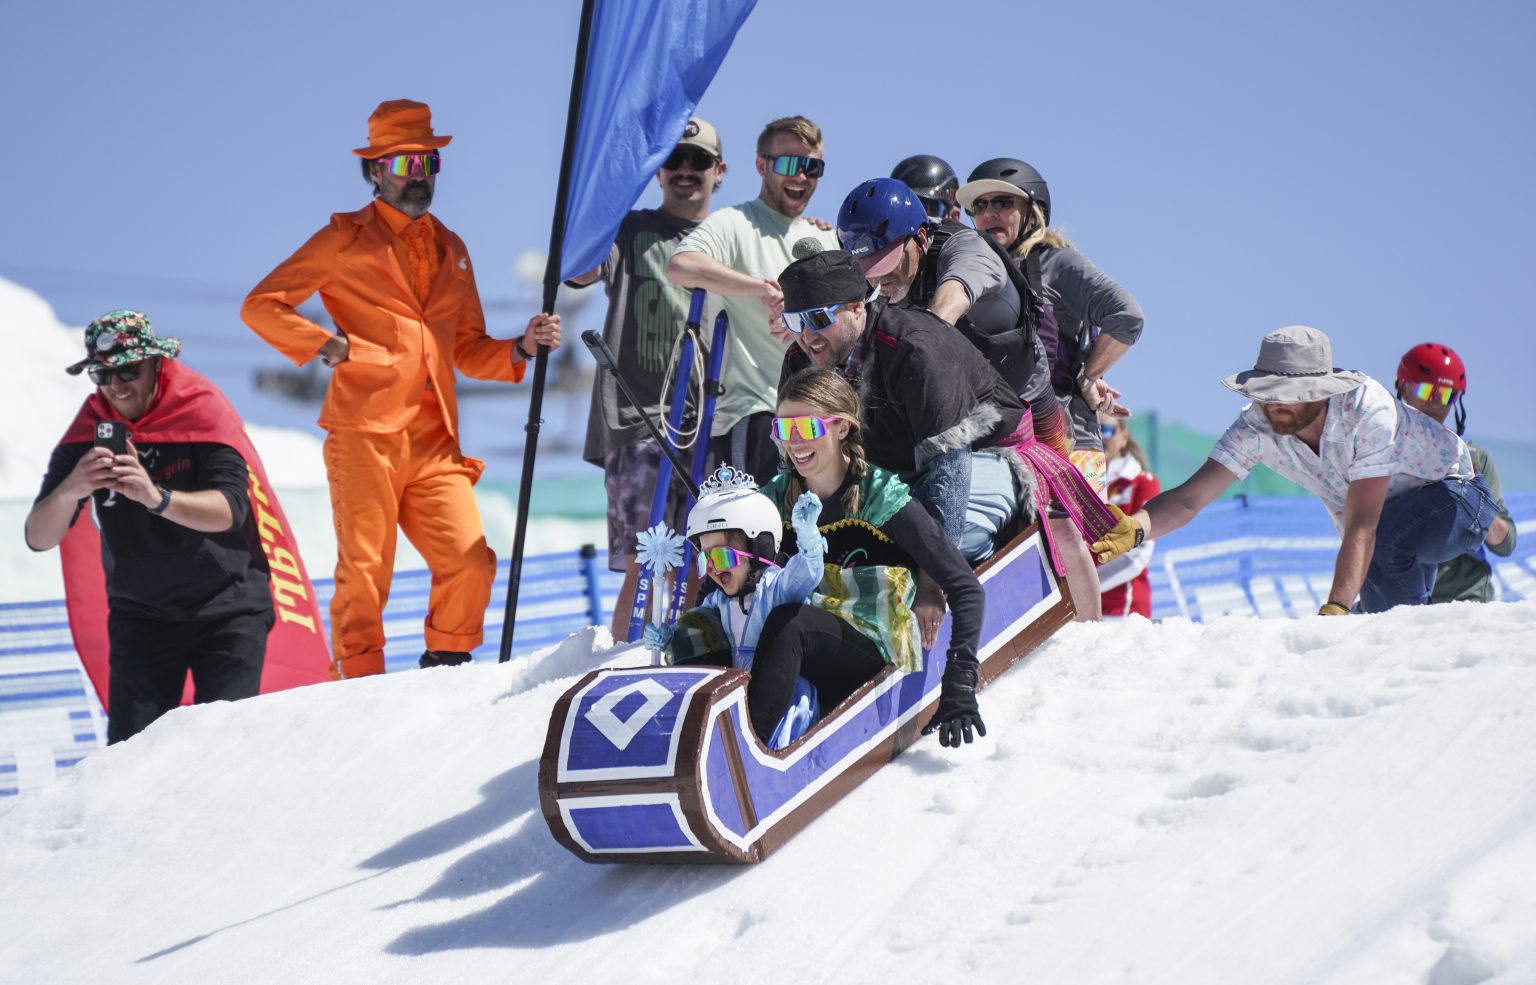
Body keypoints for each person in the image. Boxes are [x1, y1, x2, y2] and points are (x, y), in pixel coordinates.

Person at [241, 99, 563, 677]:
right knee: (366, 569)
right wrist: (326, 345)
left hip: (435, 439)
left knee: (472, 561)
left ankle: (446, 661)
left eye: (429, 162)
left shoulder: (453, 248)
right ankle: (357, 682)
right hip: (363, 431)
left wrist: (520, 348)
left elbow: (465, 348)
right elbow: (261, 305)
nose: (418, 175)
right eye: (404, 162)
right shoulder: (342, 238)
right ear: (374, 170)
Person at [776, 249, 1128, 626]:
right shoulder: (802, 361)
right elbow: (793, 462)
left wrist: (933, 579)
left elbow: (950, 470)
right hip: (898, 476)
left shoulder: (914, 347)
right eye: (794, 321)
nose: (807, 335)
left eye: (817, 318)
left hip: (989, 460)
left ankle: (1078, 626)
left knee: (900, 540)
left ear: (857, 307)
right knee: (845, 539)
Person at [1092, 327, 1496, 614]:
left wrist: (1335, 607)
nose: (1274, 405)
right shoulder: (1257, 426)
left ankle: (1403, 648)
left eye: (1288, 396)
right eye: (1267, 393)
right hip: (1389, 524)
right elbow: (1188, 499)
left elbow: (1364, 526)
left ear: (1320, 393)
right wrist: (1137, 526)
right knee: (1373, 618)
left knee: (1385, 546)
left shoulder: (1367, 411)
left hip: (1458, 496)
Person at [25, 311, 275, 743]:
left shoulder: (203, 410)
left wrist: (154, 497)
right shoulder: (90, 433)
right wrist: (72, 488)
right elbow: (38, 536)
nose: (116, 386)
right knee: (129, 761)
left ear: (157, 364)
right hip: (142, 614)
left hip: (228, 607)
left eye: (128, 369)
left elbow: (230, 510)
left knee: (228, 750)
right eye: (103, 374)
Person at [761, 368, 989, 748]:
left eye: (807, 428)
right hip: (809, 648)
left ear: (841, 429)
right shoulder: (775, 497)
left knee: (791, 623)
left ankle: (751, 748)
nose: (795, 442)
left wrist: (959, 684)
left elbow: (967, 588)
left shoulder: (880, 494)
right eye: (784, 430)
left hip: (870, 641)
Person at [565, 117, 729, 633]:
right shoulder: (631, 230)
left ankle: (684, 655)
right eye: (673, 160)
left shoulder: (728, 239)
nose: (686, 170)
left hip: (712, 419)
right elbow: (579, 270)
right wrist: (618, 178)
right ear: (657, 171)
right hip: (639, 418)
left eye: (698, 160)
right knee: (648, 558)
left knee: (703, 562)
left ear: (719, 171)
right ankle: (624, 661)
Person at [666, 115, 838, 482]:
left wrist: (801, 320)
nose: (801, 176)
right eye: (790, 164)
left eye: (813, 167)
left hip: (825, 421)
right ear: (761, 165)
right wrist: (761, 289)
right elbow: (681, 266)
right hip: (760, 413)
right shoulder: (733, 223)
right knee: (760, 537)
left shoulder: (827, 238)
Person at [957, 157, 1145, 494]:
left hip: (1067, 442)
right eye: (980, 205)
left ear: (1034, 212)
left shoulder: (1056, 264)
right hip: (992, 438)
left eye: (1003, 202)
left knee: (1074, 546)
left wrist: (1089, 376)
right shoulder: (968, 276)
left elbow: (1126, 315)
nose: (989, 213)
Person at [641, 464, 824, 749]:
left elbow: (807, 572)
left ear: (758, 550)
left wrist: (808, 538)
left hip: (783, 696)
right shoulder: (720, 601)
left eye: (723, 558)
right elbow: (699, 625)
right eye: (705, 560)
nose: (713, 570)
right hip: (743, 695)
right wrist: (669, 637)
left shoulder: (775, 588)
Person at [1393, 343, 1515, 602]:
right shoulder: (1383, 454)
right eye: (1426, 390)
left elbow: (1505, 543)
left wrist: (1473, 497)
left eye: (1448, 394)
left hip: (1463, 599)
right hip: (1398, 597)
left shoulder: (1475, 459)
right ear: (1403, 388)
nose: (1437, 402)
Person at [1097, 415, 1162, 619]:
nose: (1099, 436)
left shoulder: (1142, 482)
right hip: (1081, 608)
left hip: (1123, 610)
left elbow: (1139, 554)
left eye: (1106, 430)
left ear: (1124, 437)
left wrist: (1084, 586)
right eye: (1091, 429)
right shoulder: (1079, 482)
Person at [890, 154, 961, 223]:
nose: (916, 221)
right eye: (903, 211)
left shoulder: (968, 234)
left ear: (954, 217)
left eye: (929, 209)